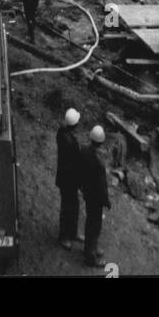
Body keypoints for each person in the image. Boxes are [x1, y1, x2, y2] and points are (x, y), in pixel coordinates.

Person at [79, 126, 111, 267]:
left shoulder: (84, 150)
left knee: (89, 223)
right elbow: (102, 185)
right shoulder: (99, 162)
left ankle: (89, 248)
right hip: (96, 198)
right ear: (101, 142)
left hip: (87, 193)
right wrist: (106, 201)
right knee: (95, 225)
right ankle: (90, 257)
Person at [56, 108, 83, 249]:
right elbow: (76, 162)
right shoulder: (70, 142)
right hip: (69, 180)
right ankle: (64, 236)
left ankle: (72, 232)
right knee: (67, 208)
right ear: (75, 125)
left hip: (64, 177)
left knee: (74, 206)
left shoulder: (61, 132)